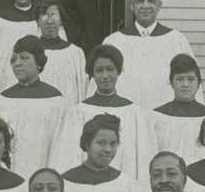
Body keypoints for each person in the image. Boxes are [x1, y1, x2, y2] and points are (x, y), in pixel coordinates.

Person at [47, 42, 156, 182]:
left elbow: (142, 160)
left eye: (110, 69)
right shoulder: (77, 112)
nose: (105, 76)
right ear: (92, 74)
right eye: (99, 70)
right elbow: (67, 158)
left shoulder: (134, 113)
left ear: (119, 71)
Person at [111, 0, 199, 110]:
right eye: (140, 1)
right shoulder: (115, 41)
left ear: (159, 6)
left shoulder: (176, 40)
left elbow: (192, 80)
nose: (145, 6)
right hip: (127, 114)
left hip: (166, 114)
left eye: (151, 1)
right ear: (132, 6)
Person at [0, 35, 68, 180]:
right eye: (14, 60)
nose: (17, 63)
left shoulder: (55, 100)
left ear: (38, 63)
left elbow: (60, 147)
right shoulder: (3, 99)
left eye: (24, 58)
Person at [150, 53, 205, 167]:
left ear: (199, 83)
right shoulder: (156, 116)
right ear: (171, 82)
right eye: (180, 79)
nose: (185, 84)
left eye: (191, 79)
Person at [36, 0, 87, 105]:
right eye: (44, 15)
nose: (49, 21)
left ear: (61, 21)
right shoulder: (31, 53)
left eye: (53, 15)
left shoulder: (75, 53)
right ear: (37, 21)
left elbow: (83, 89)